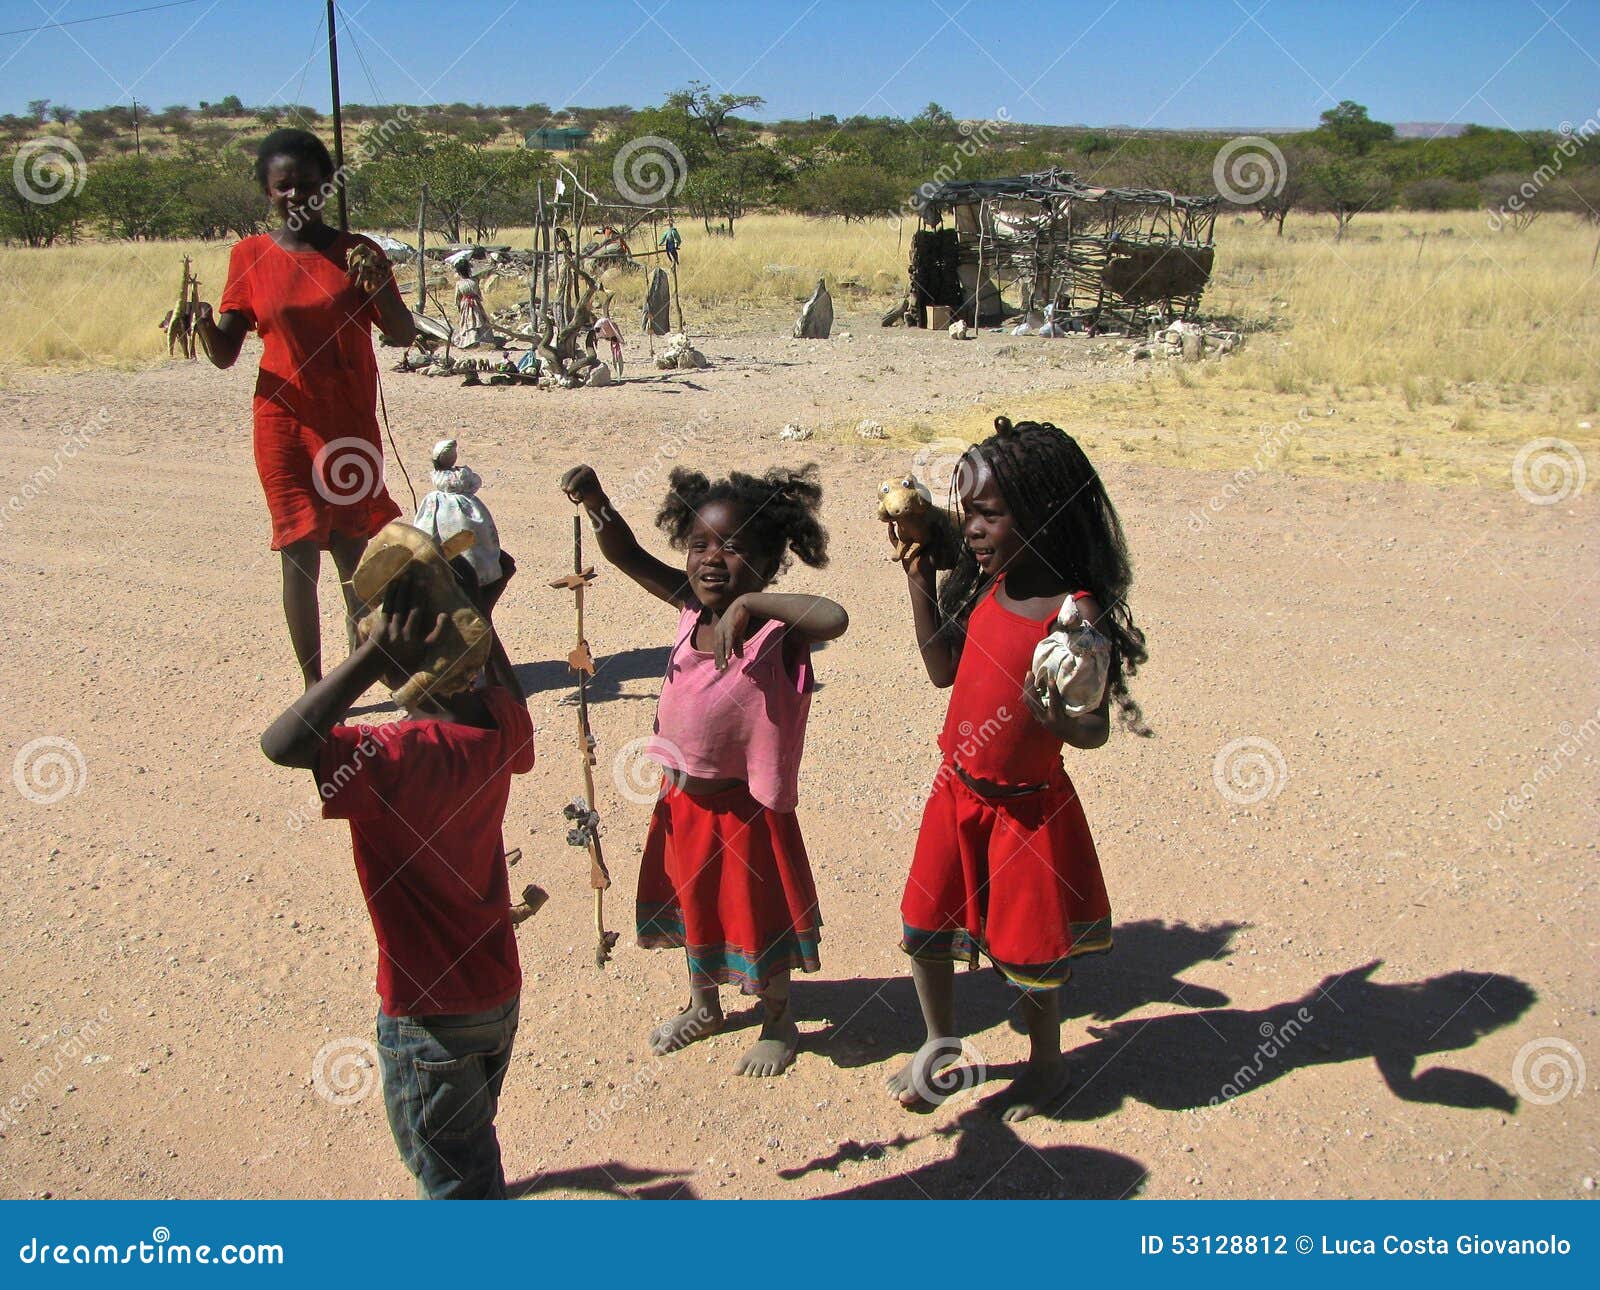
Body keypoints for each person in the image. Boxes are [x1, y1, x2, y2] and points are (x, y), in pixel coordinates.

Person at [888, 416, 1149, 1122]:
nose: (969, 527)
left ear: (1042, 513)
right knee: (925, 926)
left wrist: (1054, 715)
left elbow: (1090, 728)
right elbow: (943, 670)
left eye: (988, 513)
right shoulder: (985, 585)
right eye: (965, 510)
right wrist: (919, 580)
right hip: (956, 789)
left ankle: (1046, 1065)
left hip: (1026, 808)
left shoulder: (1072, 615)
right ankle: (941, 1048)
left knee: (1030, 953)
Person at [259, 545, 532, 1198]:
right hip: (494, 995)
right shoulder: (498, 731)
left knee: (456, 1187)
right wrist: (479, 624)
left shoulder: (392, 756)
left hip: (426, 1015)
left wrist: (368, 662)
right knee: (470, 1152)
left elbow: (282, 744)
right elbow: (501, 688)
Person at [559, 462, 847, 1077]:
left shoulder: (777, 630)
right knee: (695, 908)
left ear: (770, 561)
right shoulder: (690, 606)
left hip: (745, 813)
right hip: (682, 803)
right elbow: (625, 554)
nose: (712, 559)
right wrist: (597, 499)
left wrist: (751, 603)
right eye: (699, 545)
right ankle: (705, 1005)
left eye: (736, 548)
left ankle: (776, 1020)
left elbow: (835, 617)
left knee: (754, 912)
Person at [195, 128, 417, 688]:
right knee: (297, 551)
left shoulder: (357, 252)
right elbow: (226, 354)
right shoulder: (249, 256)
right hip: (283, 422)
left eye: (309, 184)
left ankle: (359, 672)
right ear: (267, 192)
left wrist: (379, 288)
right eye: (283, 186)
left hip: (346, 423)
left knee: (353, 553)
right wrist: (198, 321)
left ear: (326, 185)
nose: (296, 195)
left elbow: (401, 332)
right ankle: (314, 686)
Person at [452, 258, 494, 347]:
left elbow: (457, 298)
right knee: (479, 319)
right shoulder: (475, 281)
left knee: (467, 321)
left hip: (465, 303)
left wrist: (458, 305)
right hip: (475, 303)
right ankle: (483, 338)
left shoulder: (459, 283)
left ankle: (469, 339)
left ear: (459, 272)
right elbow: (478, 293)